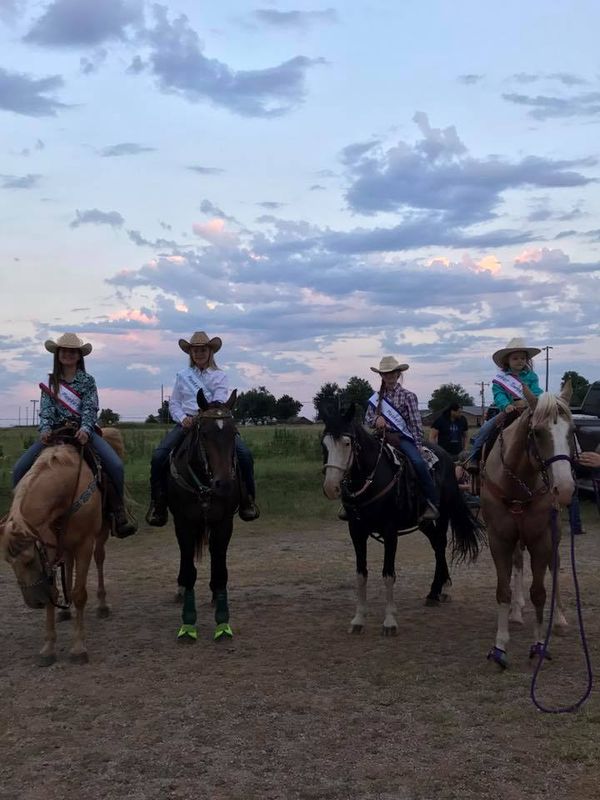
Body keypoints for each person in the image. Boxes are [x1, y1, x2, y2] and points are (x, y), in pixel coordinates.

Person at [12, 333, 137, 537]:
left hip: (81, 432)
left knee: (115, 466)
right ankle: (17, 519)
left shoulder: (87, 380)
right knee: (19, 469)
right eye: (64, 351)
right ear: (58, 354)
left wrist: (86, 429)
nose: (68, 354)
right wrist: (44, 430)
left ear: (79, 356)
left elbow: (90, 407)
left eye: (72, 351)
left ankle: (117, 514)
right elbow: (46, 410)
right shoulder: (51, 382)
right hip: (55, 432)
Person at [145, 331, 259, 526]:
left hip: (212, 423)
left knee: (245, 455)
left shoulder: (219, 376)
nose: (199, 353)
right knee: (159, 456)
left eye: (203, 350)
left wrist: (202, 416)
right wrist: (183, 418)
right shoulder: (183, 376)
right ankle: (159, 503)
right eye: (195, 350)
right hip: (187, 423)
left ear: (210, 352)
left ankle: (247, 499)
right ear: (190, 353)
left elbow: (221, 401)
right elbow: (175, 404)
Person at [364, 356, 439, 520]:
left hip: (402, 438)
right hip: (380, 436)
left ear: (398, 374)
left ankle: (431, 502)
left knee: (419, 463)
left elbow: (415, 423)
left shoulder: (408, 396)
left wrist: (417, 444)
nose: (389, 376)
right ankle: (354, 501)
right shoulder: (376, 398)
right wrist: (376, 419)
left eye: (392, 373)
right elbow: (367, 419)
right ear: (381, 376)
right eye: (385, 373)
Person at [466, 337, 543, 467]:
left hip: (529, 410)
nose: (520, 361)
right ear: (507, 360)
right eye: (515, 358)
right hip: (509, 411)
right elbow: (499, 394)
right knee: (486, 429)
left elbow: (536, 391)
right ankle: (473, 458)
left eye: (523, 358)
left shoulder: (531, 376)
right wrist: (506, 405)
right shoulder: (500, 379)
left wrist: (534, 401)